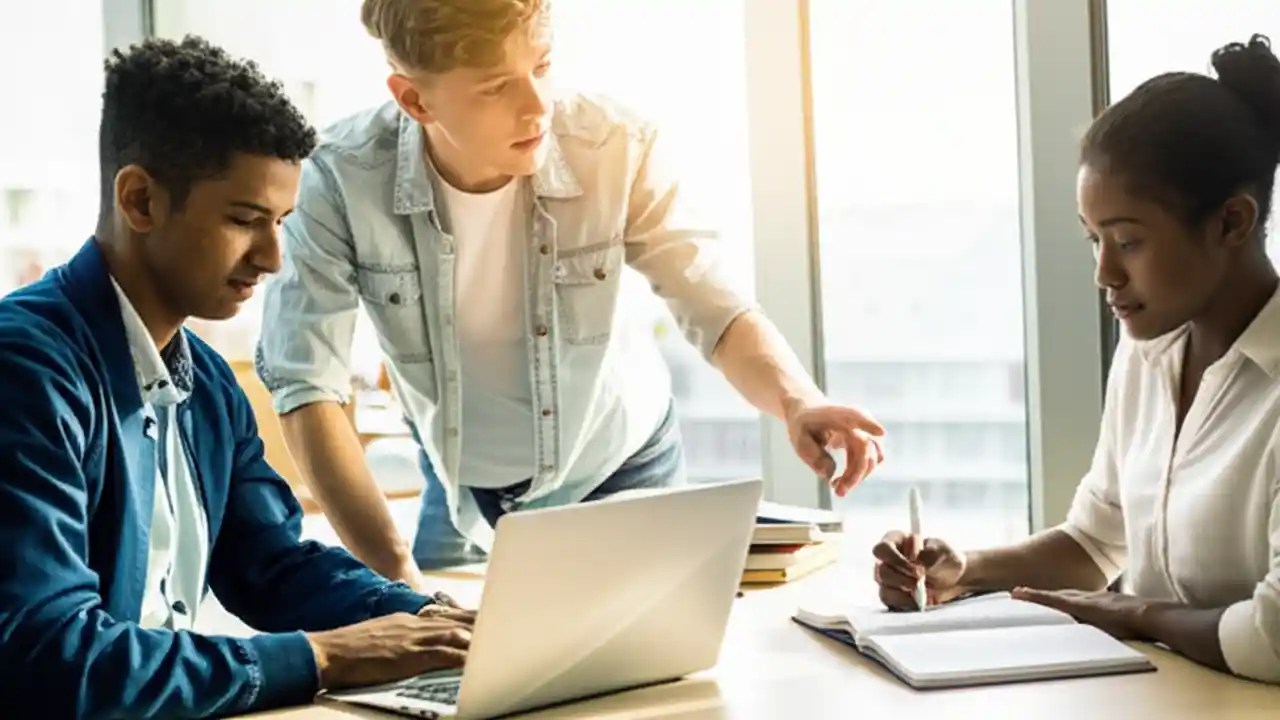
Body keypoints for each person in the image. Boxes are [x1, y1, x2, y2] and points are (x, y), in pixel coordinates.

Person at [256, 0, 886, 585]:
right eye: (497, 86)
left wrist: (798, 400)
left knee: (644, 683)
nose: (537, 107)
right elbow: (307, 384)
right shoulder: (337, 180)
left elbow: (708, 300)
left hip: (620, 467)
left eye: (543, 65)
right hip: (459, 486)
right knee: (451, 673)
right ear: (415, 101)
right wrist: (394, 577)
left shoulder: (614, 145)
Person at [0, 37, 476, 719]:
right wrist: (326, 656)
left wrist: (437, 622)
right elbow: (49, 657)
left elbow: (273, 564)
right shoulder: (25, 370)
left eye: (282, 222)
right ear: (139, 201)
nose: (274, 258)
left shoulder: (209, 385)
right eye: (245, 220)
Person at [872, 35, 1280, 684]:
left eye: (1127, 240)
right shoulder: (1148, 353)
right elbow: (1095, 542)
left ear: (1231, 222)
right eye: (1094, 239)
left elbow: (1272, 635)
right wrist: (963, 570)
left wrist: (1138, 615)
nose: (1105, 274)